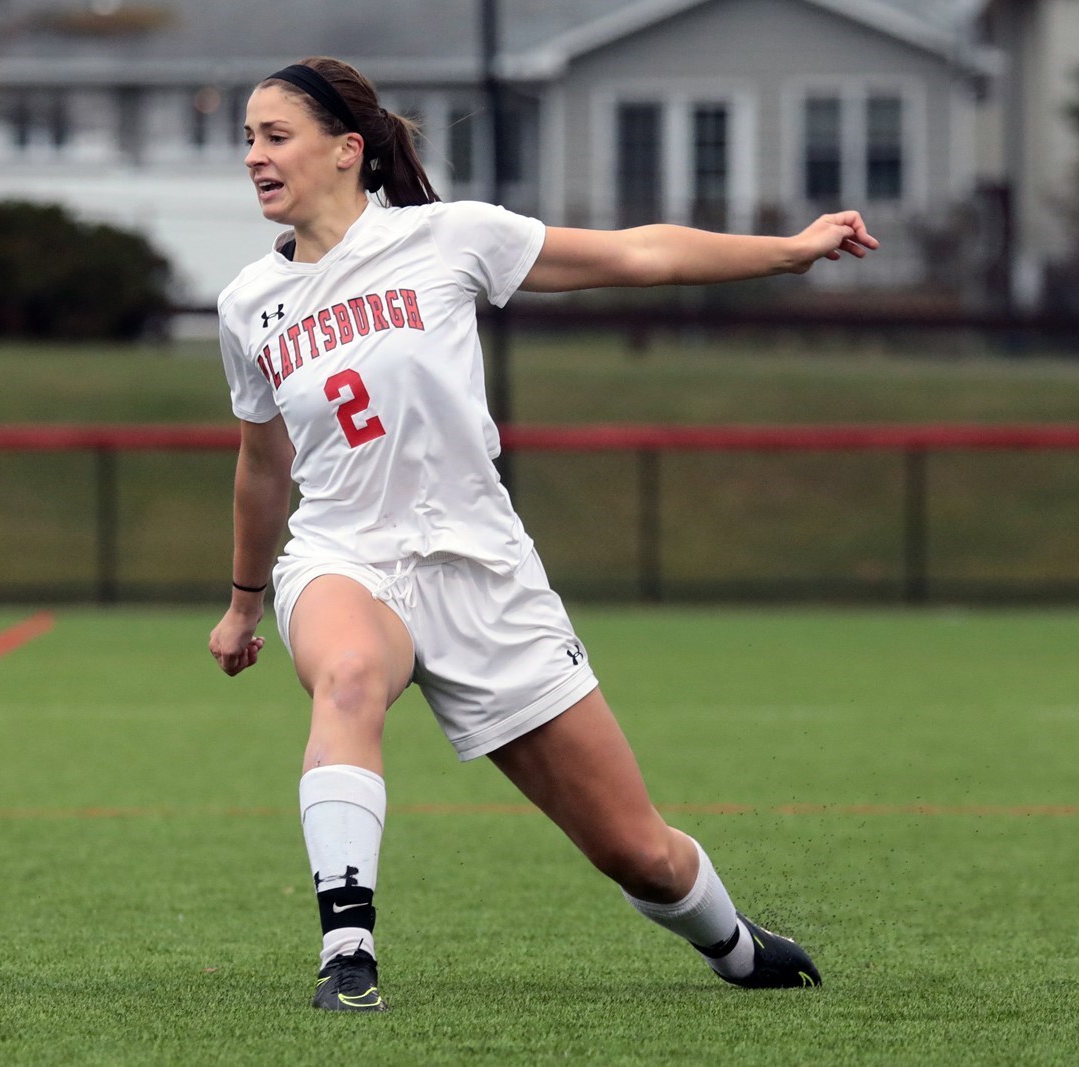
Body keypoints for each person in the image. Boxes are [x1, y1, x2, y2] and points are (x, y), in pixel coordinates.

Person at [208, 56, 876, 1013]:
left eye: (274, 136)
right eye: (247, 139)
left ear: (348, 150)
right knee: (348, 676)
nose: (254, 157)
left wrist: (788, 250)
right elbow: (263, 465)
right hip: (345, 556)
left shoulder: (450, 239)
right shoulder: (246, 304)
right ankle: (347, 953)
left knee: (637, 850)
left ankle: (733, 944)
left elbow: (636, 255)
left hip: (484, 570)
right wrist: (243, 602)